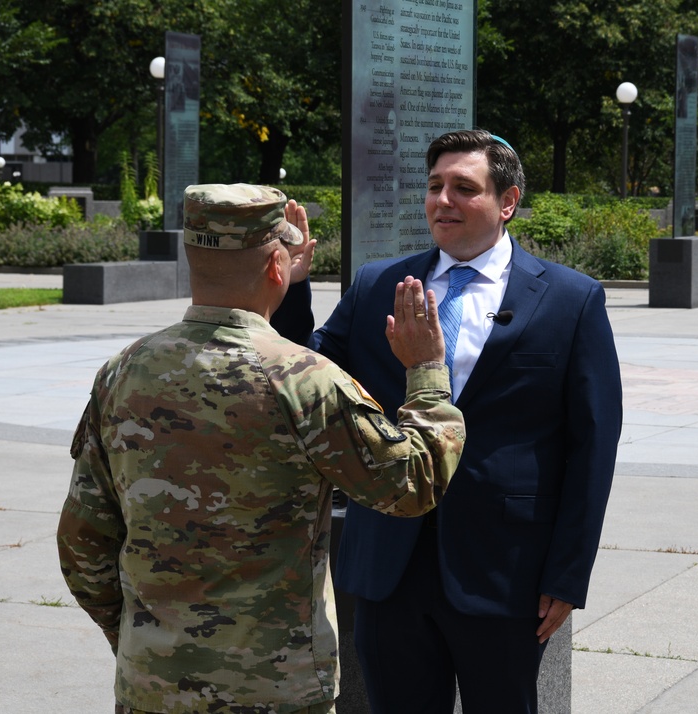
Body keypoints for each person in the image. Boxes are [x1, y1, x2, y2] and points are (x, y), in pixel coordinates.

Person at [56, 183, 465, 714]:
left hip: (152, 684)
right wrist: (427, 373)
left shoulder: (124, 370)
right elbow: (412, 484)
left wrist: (139, 640)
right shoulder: (305, 380)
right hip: (277, 691)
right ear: (278, 266)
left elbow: (82, 541)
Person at [273, 129, 623, 713]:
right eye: (435, 186)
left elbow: (593, 445)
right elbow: (300, 373)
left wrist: (568, 574)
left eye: (464, 188)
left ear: (507, 202)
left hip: (506, 571)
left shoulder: (570, 299)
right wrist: (294, 284)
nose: (443, 200)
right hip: (390, 563)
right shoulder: (379, 284)